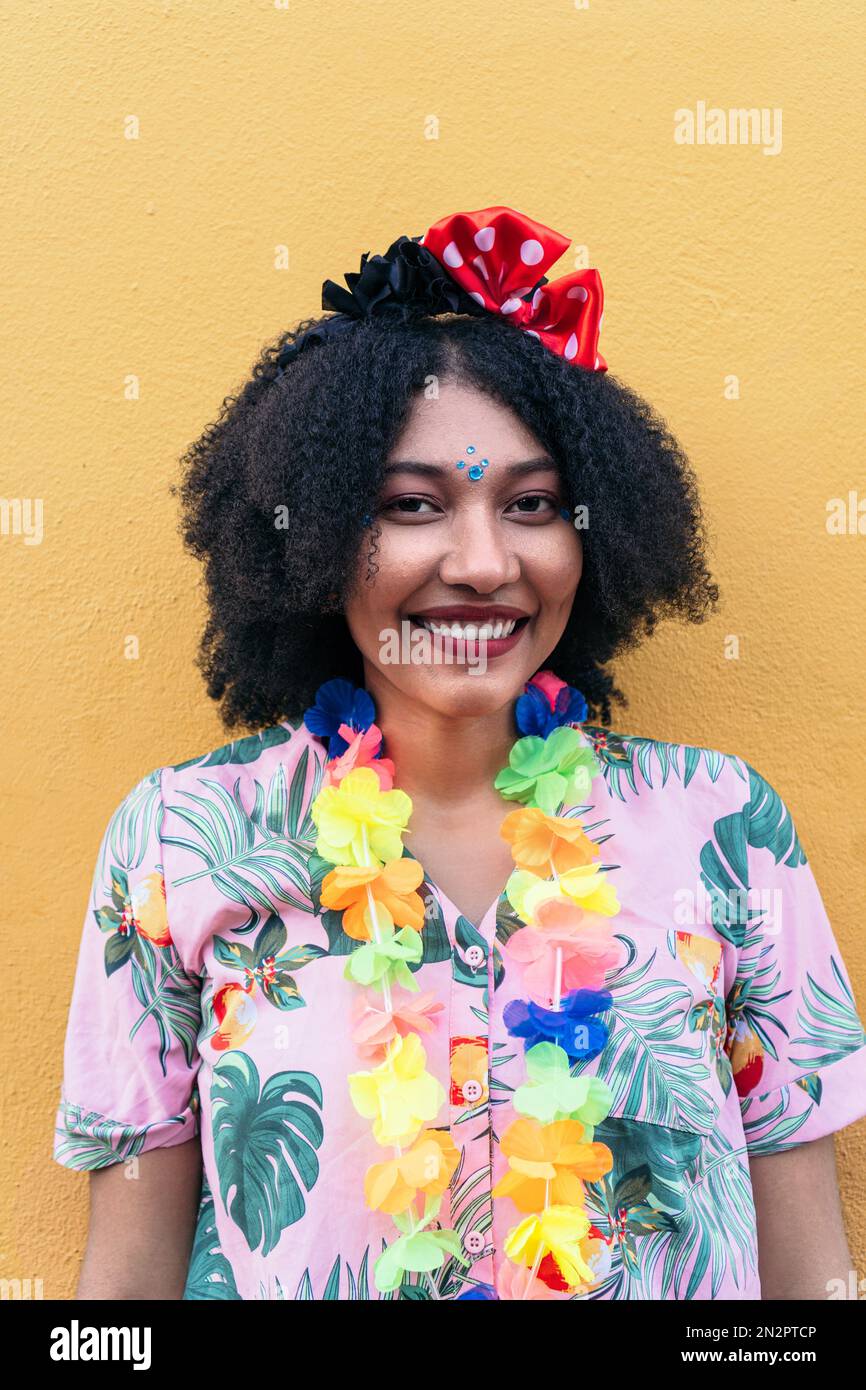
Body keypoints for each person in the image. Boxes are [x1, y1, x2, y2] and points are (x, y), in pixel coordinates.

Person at [52, 205, 866, 1301]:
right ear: (320, 531)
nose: (482, 561)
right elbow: (122, 1299)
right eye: (411, 505)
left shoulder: (724, 826)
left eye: (529, 503)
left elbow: (807, 1287)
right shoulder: (178, 842)